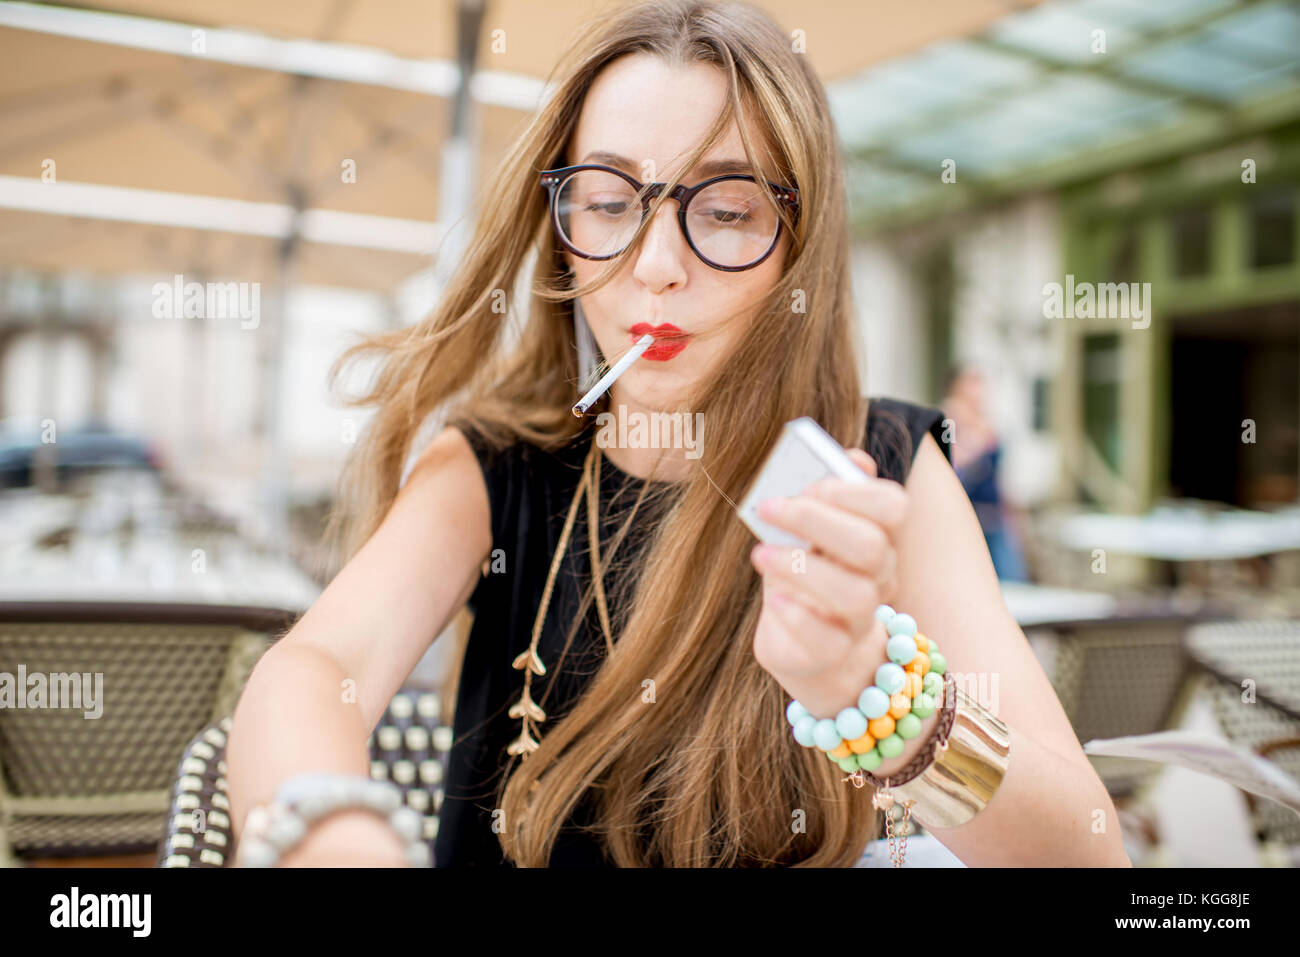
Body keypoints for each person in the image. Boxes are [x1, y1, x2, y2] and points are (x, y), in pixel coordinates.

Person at [226, 0, 1128, 868]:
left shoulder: (884, 467)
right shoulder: (497, 466)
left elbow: (1088, 851)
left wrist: (877, 698)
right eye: (610, 201)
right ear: (560, 228)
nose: (656, 267)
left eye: (726, 210)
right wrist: (330, 832)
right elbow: (315, 666)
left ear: (797, 241)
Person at [941, 364, 1029, 582]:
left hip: (993, 516)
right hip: (966, 514)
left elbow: (998, 478)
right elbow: (952, 465)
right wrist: (976, 441)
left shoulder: (988, 423)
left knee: (1009, 578)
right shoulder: (950, 418)